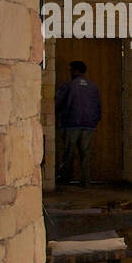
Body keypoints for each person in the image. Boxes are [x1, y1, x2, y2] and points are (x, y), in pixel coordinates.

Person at [54, 60, 102, 188]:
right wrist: (95, 120)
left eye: (70, 69)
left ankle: (65, 180)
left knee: (68, 153)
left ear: (75, 70)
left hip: (71, 122)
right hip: (89, 124)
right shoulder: (93, 86)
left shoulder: (68, 85)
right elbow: (98, 106)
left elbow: (57, 103)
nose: (69, 72)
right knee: (85, 154)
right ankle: (85, 181)